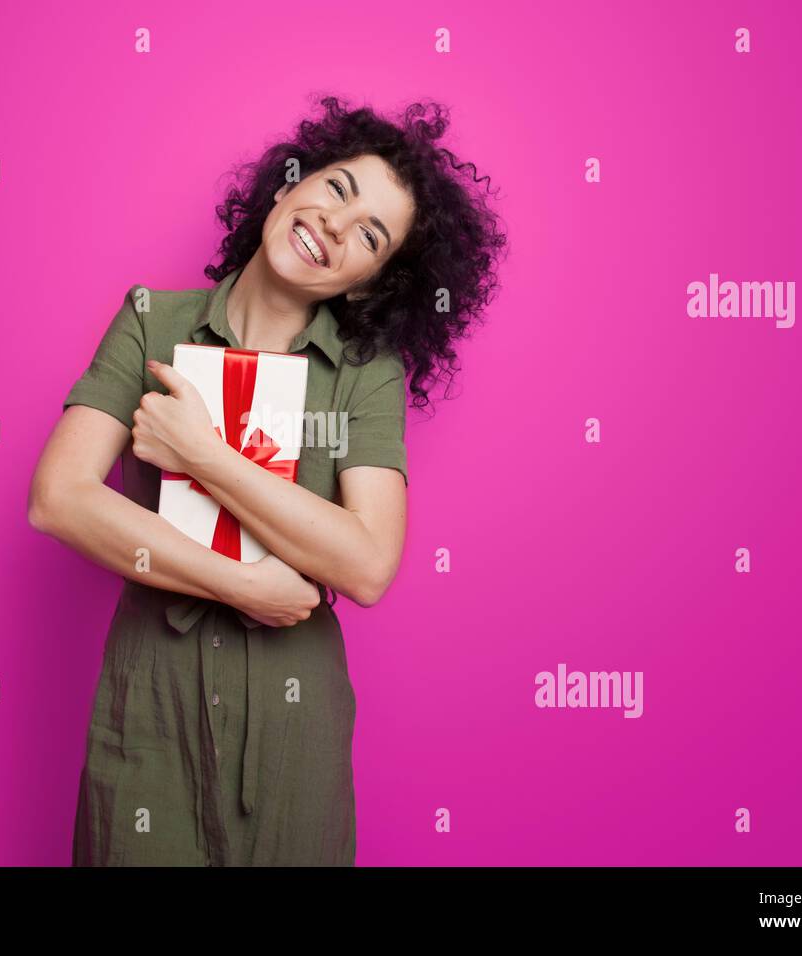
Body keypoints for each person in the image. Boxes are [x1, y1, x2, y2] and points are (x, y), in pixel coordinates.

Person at [29, 95, 506, 866]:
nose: (335, 228)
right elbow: (60, 499)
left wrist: (204, 454)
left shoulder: (365, 376)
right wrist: (239, 584)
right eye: (337, 191)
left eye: (370, 237)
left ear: (367, 283)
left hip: (294, 721)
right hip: (150, 699)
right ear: (288, 185)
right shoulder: (153, 319)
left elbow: (367, 564)